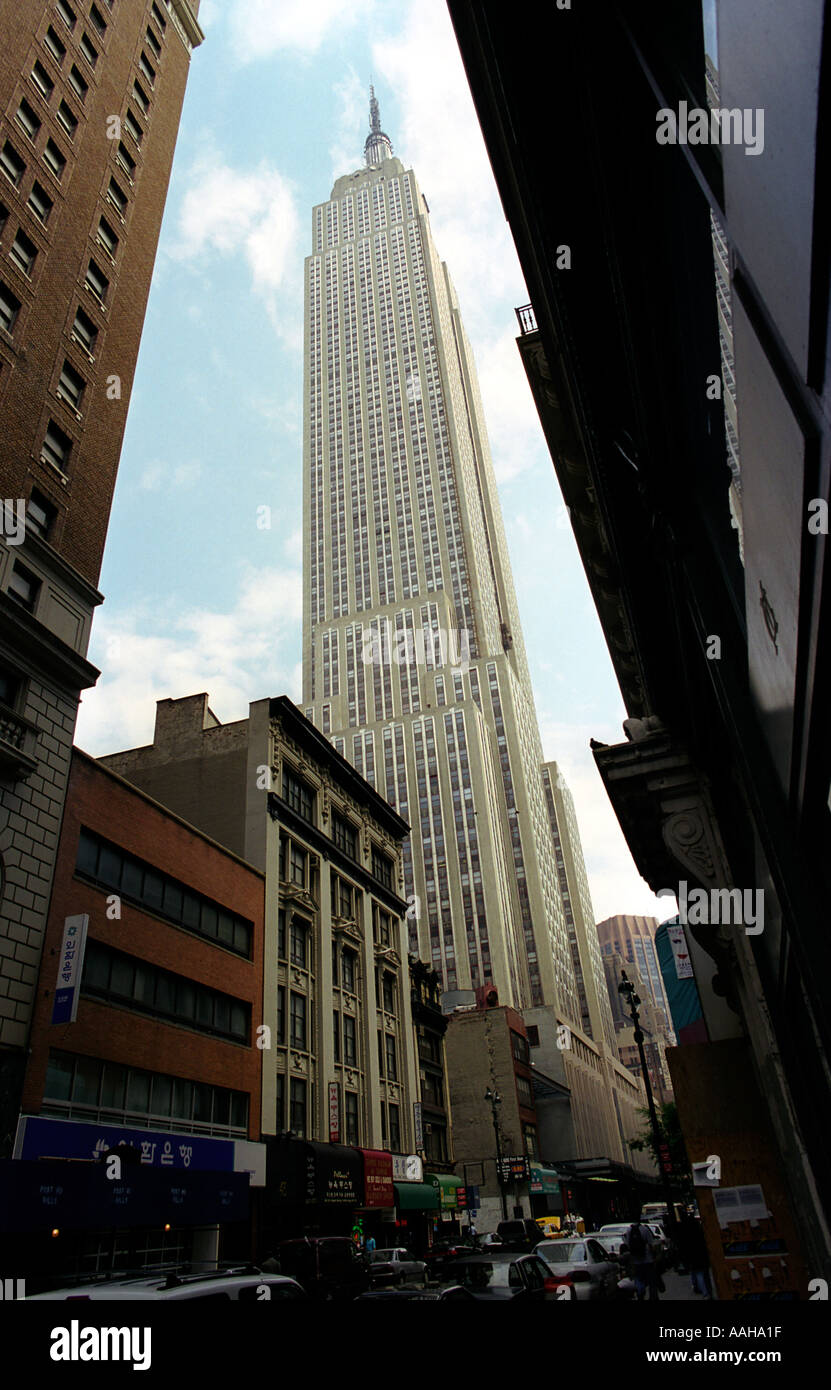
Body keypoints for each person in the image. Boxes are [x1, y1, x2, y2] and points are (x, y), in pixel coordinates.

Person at [624, 1210, 660, 1301]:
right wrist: (654, 1256)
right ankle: (653, 1297)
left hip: (636, 1261)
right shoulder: (644, 1229)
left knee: (639, 1279)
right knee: (652, 1281)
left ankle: (640, 1292)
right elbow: (651, 1244)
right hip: (647, 1260)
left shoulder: (629, 1230)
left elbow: (628, 1245)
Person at [677, 1212, 712, 1297]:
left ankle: (704, 1291)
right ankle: (707, 1291)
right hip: (702, 1254)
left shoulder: (685, 1234)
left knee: (698, 1273)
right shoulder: (699, 1232)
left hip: (692, 1256)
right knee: (704, 1273)